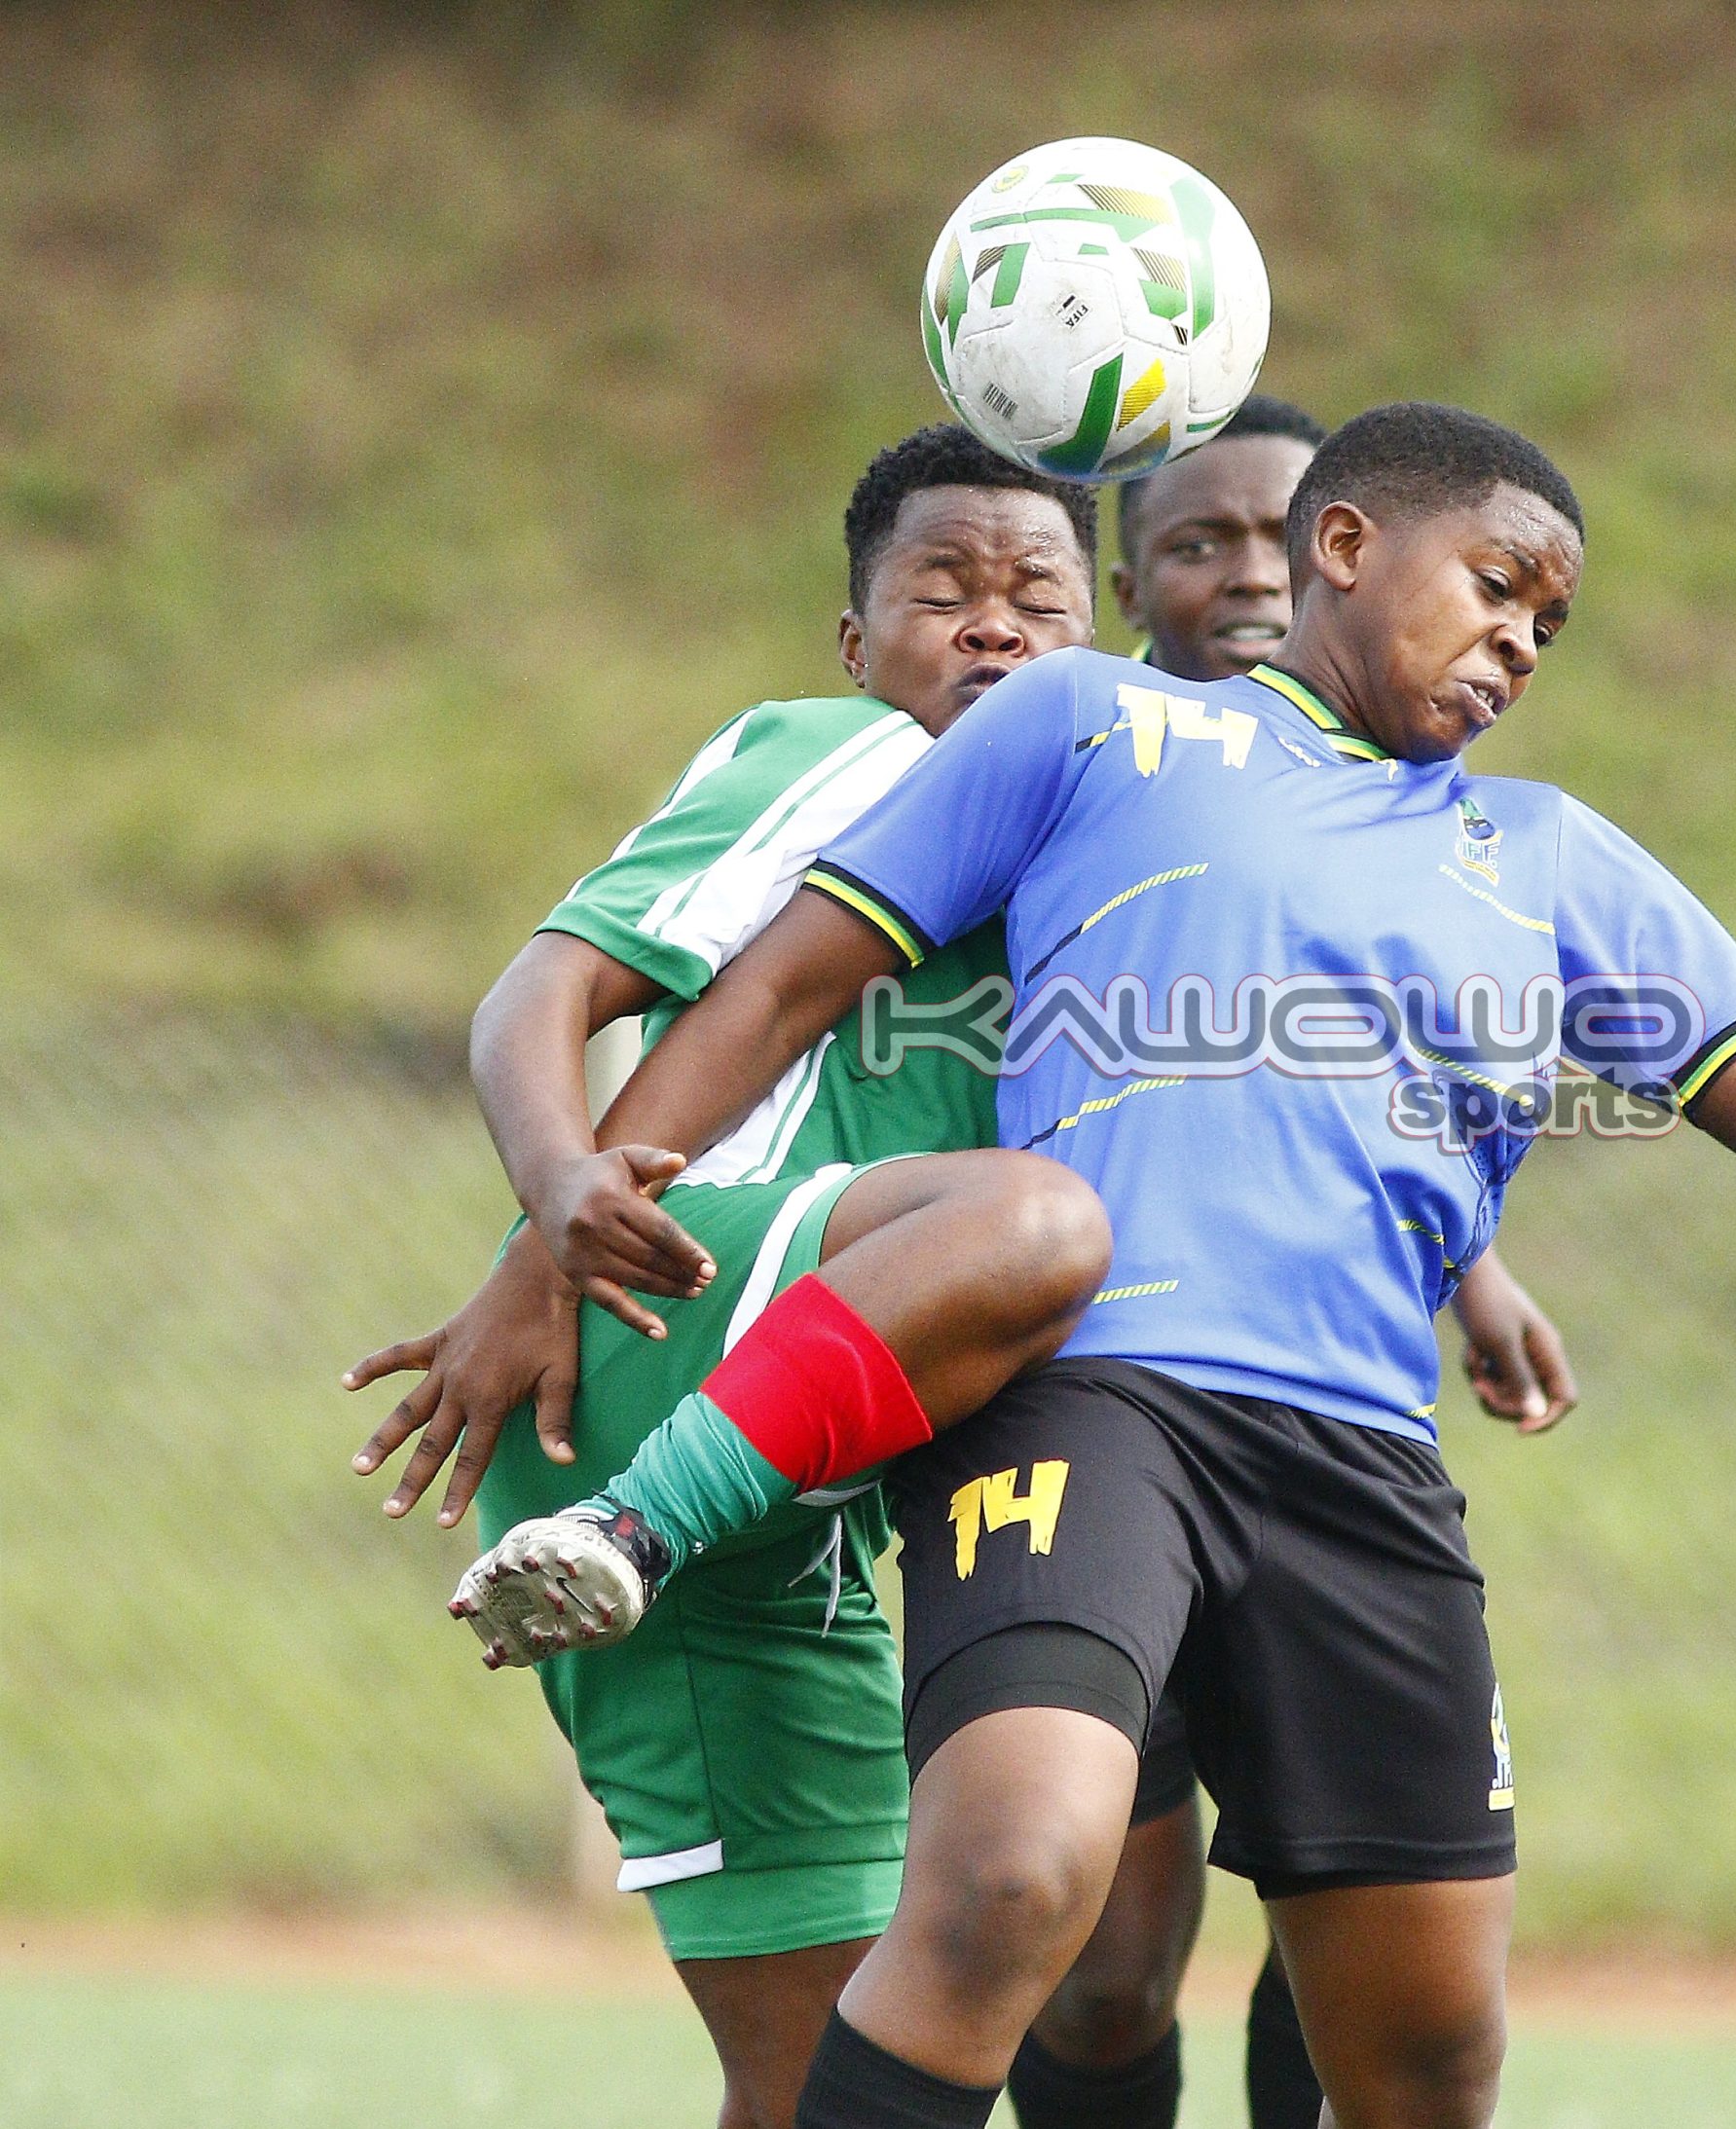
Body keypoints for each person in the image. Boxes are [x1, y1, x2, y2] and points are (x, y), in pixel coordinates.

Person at [498, 403, 1736, 2129]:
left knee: (1430, 2057)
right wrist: (562, 1243)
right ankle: (650, 1528)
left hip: (1359, 1466)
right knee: (1013, 1888)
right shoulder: (1085, 724)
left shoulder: (1546, 856)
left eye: (1549, 622)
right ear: (1340, 545)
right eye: (1498, 584)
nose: (1520, 639)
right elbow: (783, 986)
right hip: (1089, 1409)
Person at [351, 419, 1567, 2129]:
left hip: (833, 1452)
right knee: (1039, 1223)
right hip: (688, 1364)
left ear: (1105, 639)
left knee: (825, 2074)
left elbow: (1282, 1086)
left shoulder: (1110, 831)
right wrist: (542, 1234)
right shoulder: (837, 755)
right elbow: (555, 1004)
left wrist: (1476, 1270)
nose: (996, 628)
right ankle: (626, 1531)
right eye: (946, 592)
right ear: (854, 642)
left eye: (1036, 599)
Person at [1011, 391, 1575, 2129]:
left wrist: (1472, 1269)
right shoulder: (1069, 758)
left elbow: (1367, 1059)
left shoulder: (1411, 801)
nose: (1245, 573)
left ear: (1334, 541)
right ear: (1128, 583)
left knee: (1342, 1927)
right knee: (1101, 1955)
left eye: (1274, 531)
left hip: (1315, 1422)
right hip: (1098, 1398)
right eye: (1199, 541)